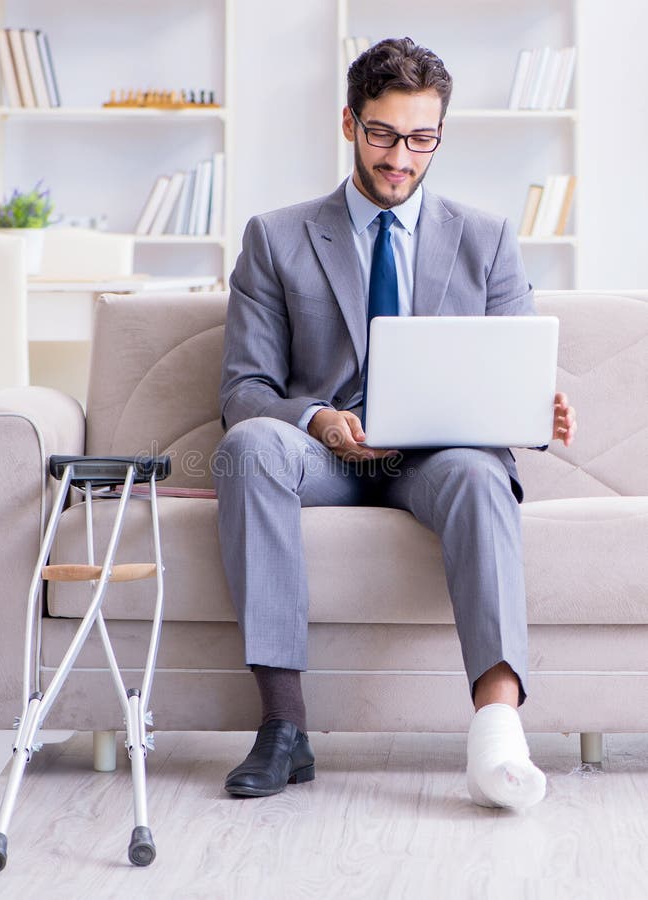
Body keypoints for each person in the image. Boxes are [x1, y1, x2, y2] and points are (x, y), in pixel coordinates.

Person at [213, 37, 577, 809]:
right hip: (323, 457)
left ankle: (496, 730)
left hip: (434, 458)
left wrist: (531, 406)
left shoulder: (486, 239)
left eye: (421, 138)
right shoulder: (275, 238)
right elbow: (244, 389)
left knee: (482, 473)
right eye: (382, 134)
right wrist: (319, 422)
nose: (400, 157)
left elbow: (511, 370)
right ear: (349, 122)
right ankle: (284, 728)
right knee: (248, 447)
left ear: (439, 133)